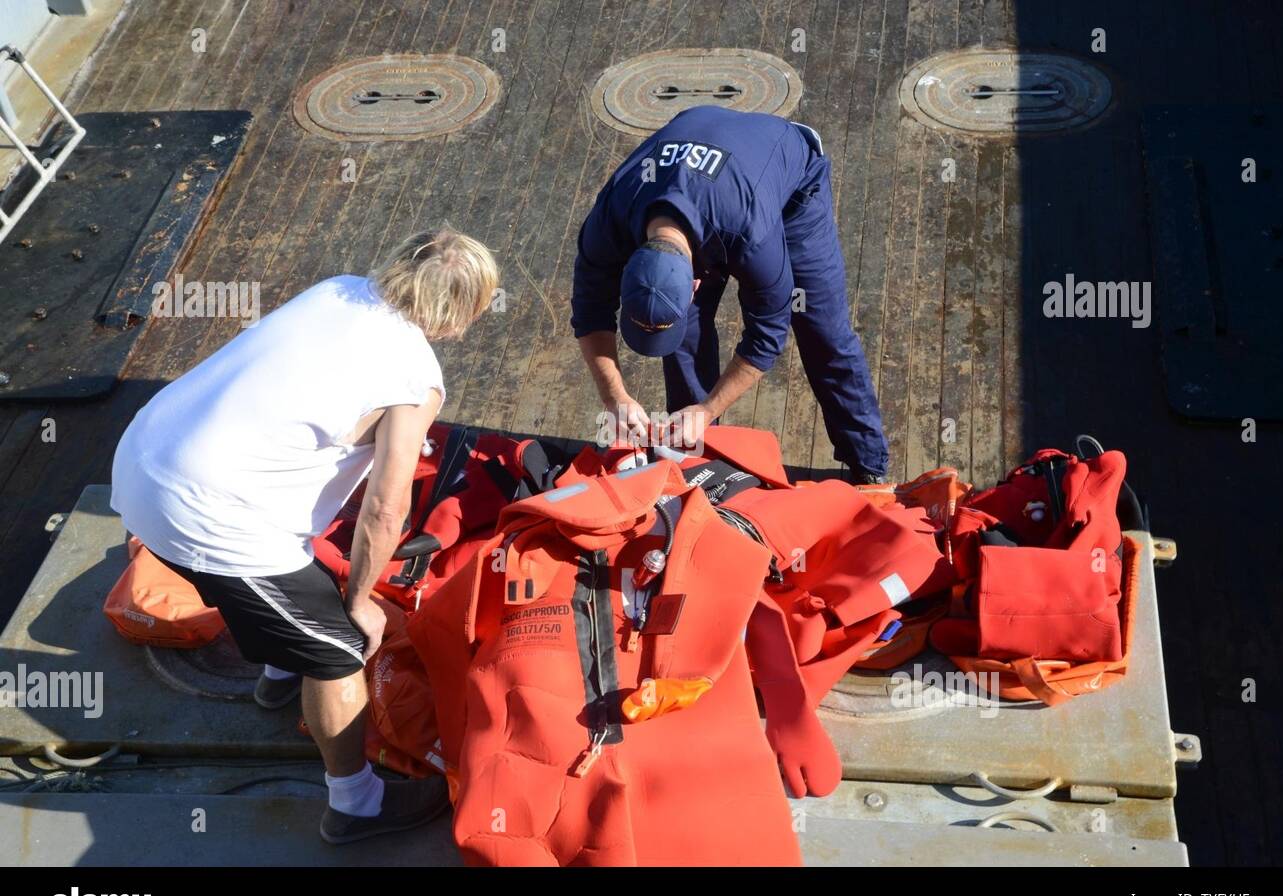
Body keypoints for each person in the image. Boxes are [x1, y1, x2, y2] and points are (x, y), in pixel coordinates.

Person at [110, 229, 498, 843]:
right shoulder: (415, 380)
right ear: (462, 315)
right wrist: (361, 603)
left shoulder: (338, 290)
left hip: (140, 457)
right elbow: (383, 510)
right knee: (338, 649)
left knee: (290, 590)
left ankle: (277, 675)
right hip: (203, 513)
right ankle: (356, 804)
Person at [570, 106, 889, 482]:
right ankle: (694, 455)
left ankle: (870, 468)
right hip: (707, 165)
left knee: (822, 332)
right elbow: (590, 312)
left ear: (695, 284)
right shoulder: (609, 221)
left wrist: (707, 409)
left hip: (790, 181)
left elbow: (767, 336)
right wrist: (615, 398)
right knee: (684, 336)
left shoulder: (751, 238)